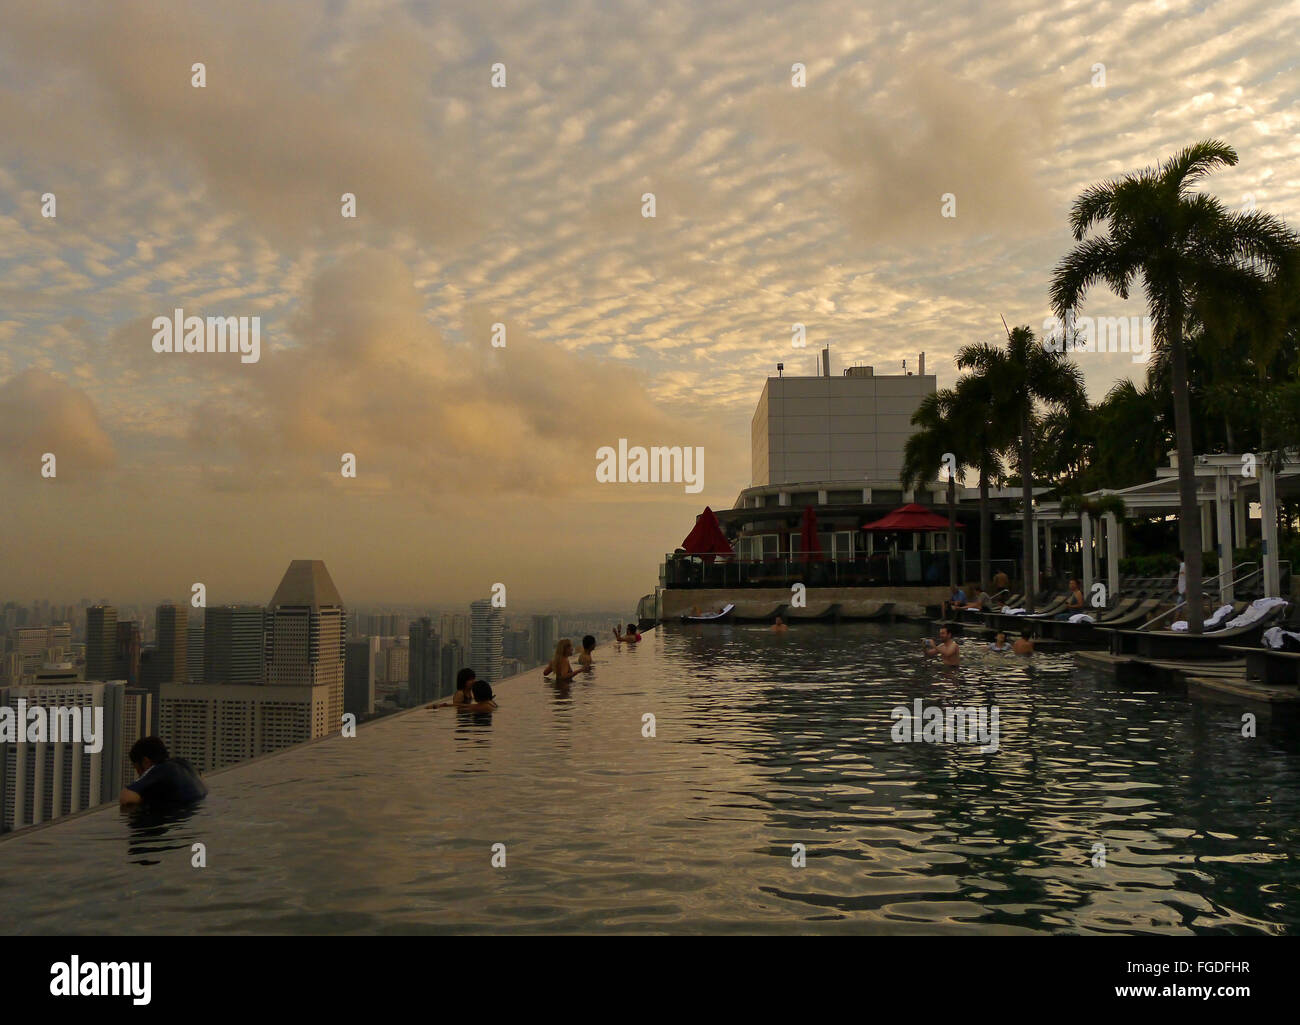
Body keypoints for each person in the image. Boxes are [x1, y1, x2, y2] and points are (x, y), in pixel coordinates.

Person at [119, 737, 207, 807]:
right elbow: (202, 779)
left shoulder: (158, 770)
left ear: (145, 761)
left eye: (137, 768)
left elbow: (126, 798)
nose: (138, 773)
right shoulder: (182, 763)